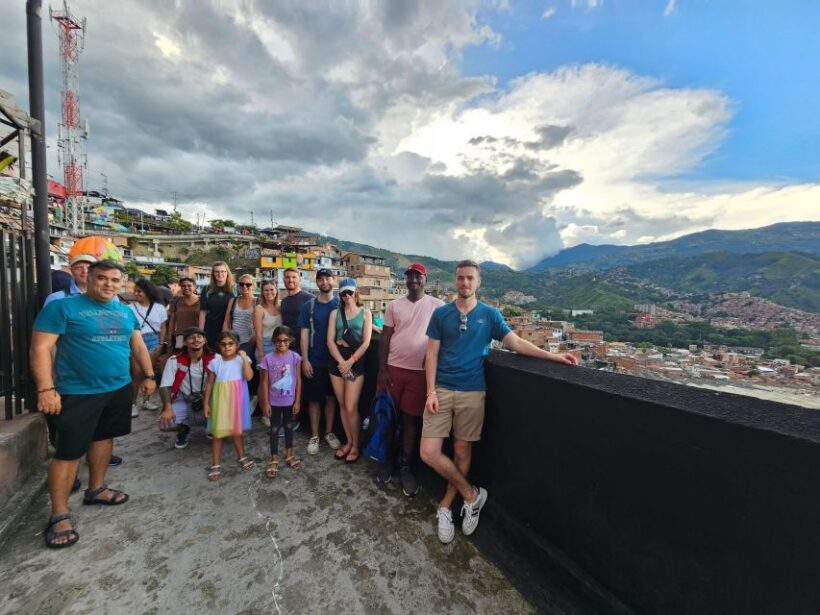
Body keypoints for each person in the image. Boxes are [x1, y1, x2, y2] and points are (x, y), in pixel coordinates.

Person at [420, 260, 579, 544]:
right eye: (460, 278)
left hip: (472, 391)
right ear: (454, 281)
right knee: (429, 452)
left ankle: (446, 505)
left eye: (470, 278)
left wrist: (554, 357)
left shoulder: (490, 315)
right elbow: (431, 354)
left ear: (478, 282)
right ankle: (472, 495)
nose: (465, 283)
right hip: (441, 390)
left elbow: (516, 343)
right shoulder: (441, 314)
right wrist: (430, 391)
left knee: (461, 450)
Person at [30, 260, 156, 549]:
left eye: (114, 280)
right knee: (69, 451)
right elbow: (41, 347)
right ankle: (59, 513)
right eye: (102, 278)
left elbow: (137, 345)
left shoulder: (125, 311)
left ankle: (96, 488)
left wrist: (149, 375)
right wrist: (46, 388)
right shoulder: (62, 308)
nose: (108, 284)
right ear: (89, 278)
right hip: (78, 391)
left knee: (103, 438)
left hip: (117, 387)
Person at [44, 253, 124, 471]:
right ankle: (72, 471)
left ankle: (96, 473)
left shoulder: (113, 299)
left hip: (108, 379)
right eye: (78, 267)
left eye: (87, 267)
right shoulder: (57, 301)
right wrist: (47, 384)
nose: (83, 271)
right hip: (71, 375)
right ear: (72, 271)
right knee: (70, 434)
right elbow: (44, 345)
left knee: (101, 430)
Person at [376, 263, 444, 495]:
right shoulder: (394, 305)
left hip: (420, 374)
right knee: (387, 418)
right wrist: (382, 370)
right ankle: (386, 460)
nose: (413, 279)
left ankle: (406, 466)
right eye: (409, 276)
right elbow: (385, 338)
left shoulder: (437, 306)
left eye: (418, 276)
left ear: (425, 279)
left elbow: (444, 336)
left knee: (410, 421)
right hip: (393, 369)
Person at [327, 279, 372, 463]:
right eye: (343, 293)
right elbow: (330, 340)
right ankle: (349, 440)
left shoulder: (365, 313)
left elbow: (367, 342)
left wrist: (350, 361)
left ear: (355, 293)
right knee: (342, 404)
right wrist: (341, 362)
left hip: (356, 360)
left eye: (349, 293)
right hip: (337, 359)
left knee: (352, 406)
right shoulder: (334, 313)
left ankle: (356, 445)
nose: (346, 296)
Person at [296, 268, 341, 455]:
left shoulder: (341, 303)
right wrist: (305, 359)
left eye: (327, 278)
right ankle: (314, 435)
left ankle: (329, 433)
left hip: (336, 361)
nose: (324, 282)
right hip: (315, 359)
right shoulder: (309, 306)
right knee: (314, 400)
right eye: (321, 279)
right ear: (317, 283)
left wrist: (373, 326)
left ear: (334, 280)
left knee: (331, 399)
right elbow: (304, 334)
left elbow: (359, 317)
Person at [203, 330, 254, 481]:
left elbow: (249, 376)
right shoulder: (215, 362)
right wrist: (206, 403)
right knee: (218, 433)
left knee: (237, 431)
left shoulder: (241, 360)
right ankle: (216, 464)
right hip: (220, 401)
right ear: (219, 346)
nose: (227, 347)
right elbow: (210, 383)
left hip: (237, 401)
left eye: (231, 344)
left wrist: (244, 358)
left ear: (237, 345)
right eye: (223, 344)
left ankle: (242, 456)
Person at [158, 326, 214, 449]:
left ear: (204, 341)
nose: (196, 340)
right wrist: (167, 408)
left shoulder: (215, 359)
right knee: (164, 425)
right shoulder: (174, 360)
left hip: (209, 400)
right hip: (185, 399)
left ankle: (211, 427)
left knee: (227, 413)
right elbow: (165, 386)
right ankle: (184, 428)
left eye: (199, 337)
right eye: (191, 337)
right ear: (184, 342)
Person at [258, 325, 302, 478]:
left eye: (285, 340)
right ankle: (274, 457)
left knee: (289, 426)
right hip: (274, 401)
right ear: (273, 342)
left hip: (289, 401)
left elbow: (298, 380)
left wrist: (297, 400)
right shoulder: (267, 359)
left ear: (290, 341)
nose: (282, 344)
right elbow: (264, 382)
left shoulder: (295, 357)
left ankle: (289, 453)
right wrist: (265, 402)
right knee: (275, 429)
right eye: (278, 341)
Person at [129, 279, 168, 418]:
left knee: (149, 373)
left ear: (148, 292)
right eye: (135, 290)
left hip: (154, 340)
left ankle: (146, 401)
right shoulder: (130, 308)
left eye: (139, 291)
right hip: (137, 340)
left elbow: (163, 327)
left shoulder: (159, 307)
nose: (136, 293)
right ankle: (133, 404)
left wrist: (161, 343)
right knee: (137, 374)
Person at [254, 279, 282, 427]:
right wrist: (261, 353)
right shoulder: (259, 309)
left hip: (280, 346)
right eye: (266, 290)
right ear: (262, 292)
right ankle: (265, 412)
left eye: (272, 289)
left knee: (276, 381)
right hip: (265, 345)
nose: (269, 292)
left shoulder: (280, 306)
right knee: (264, 382)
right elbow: (258, 333)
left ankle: (275, 410)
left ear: (276, 291)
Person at [199, 261, 235, 350]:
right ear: (213, 274)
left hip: (230, 330)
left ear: (227, 273)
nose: (220, 274)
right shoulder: (207, 289)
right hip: (211, 329)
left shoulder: (235, 288)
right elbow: (203, 313)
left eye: (223, 271)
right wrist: (201, 333)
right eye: (217, 272)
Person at [279, 268, 313, 349]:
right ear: (284, 280)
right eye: (287, 277)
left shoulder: (309, 298)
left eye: (294, 277)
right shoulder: (284, 301)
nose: (290, 280)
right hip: (288, 347)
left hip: (306, 347)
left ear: (299, 279)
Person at [164, 277, 201, 351]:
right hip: (180, 336)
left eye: (189, 285)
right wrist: (169, 338)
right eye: (183, 286)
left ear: (195, 287)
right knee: (179, 357)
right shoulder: (176, 301)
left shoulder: (202, 301)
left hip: (196, 336)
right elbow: (172, 321)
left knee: (195, 359)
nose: (186, 288)